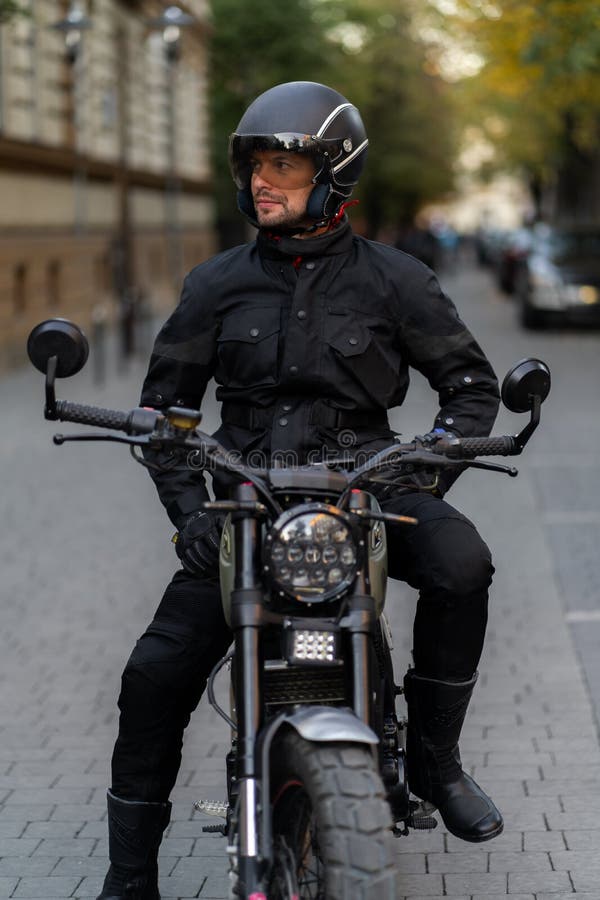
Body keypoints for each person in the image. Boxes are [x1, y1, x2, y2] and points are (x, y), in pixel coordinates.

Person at [96, 81, 503, 900]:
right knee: (151, 678)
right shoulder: (215, 284)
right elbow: (163, 413)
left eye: (283, 164)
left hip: (367, 483)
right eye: (254, 165)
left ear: (333, 174)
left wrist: (420, 476)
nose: (261, 182)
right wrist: (189, 517)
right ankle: (128, 875)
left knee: (464, 564)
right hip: (243, 498)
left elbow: (469, 388)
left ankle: (434, 761)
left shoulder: (397, 279)